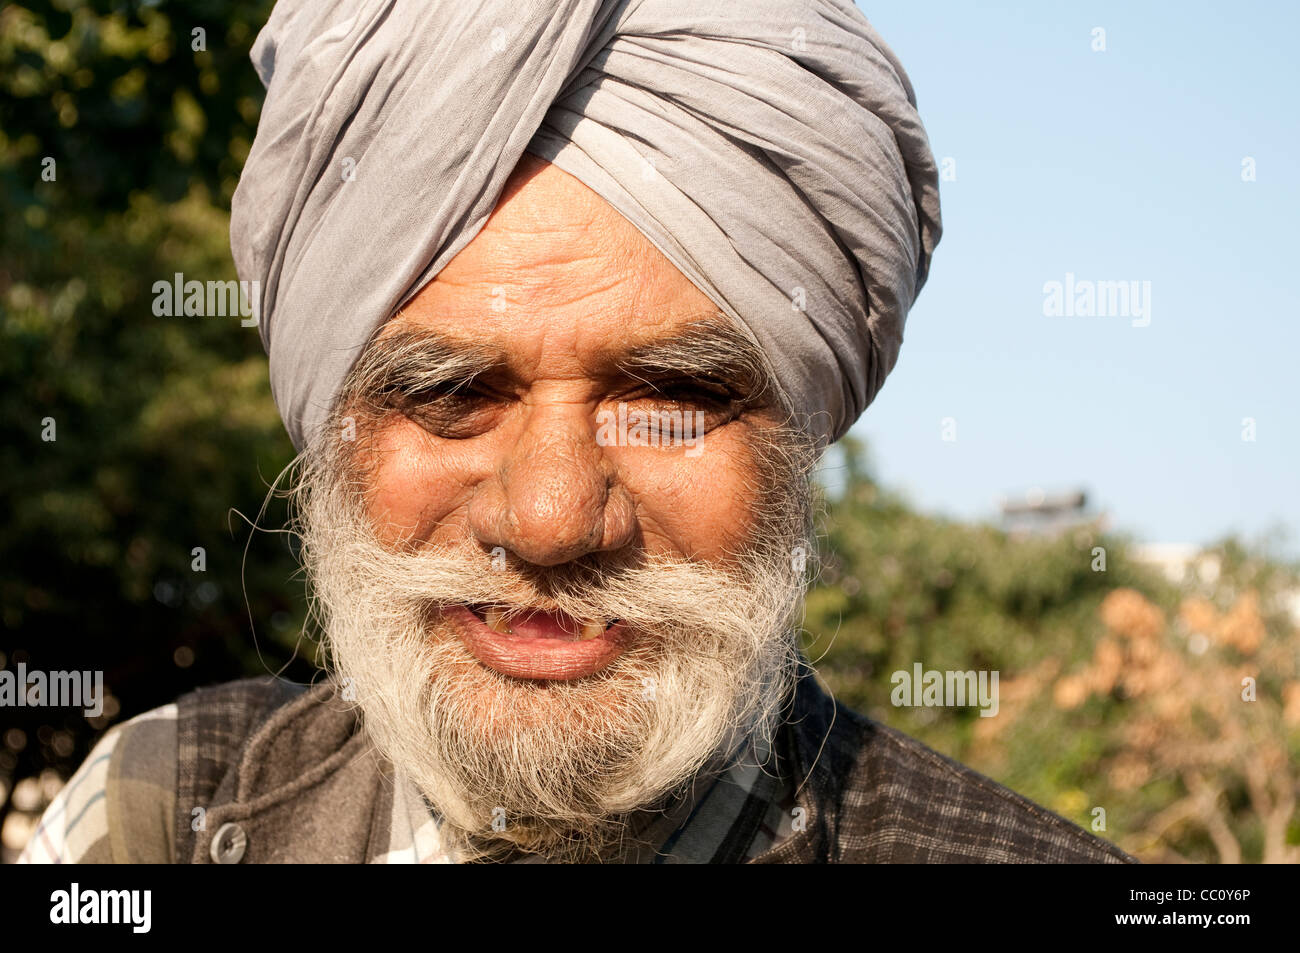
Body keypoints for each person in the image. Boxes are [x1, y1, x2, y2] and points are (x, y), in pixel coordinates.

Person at [21, 0, 1131, 864]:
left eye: (668, 400)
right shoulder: (155, 814)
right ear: (336, 427)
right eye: (452, 391)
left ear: (798, 433)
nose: (550, 519)